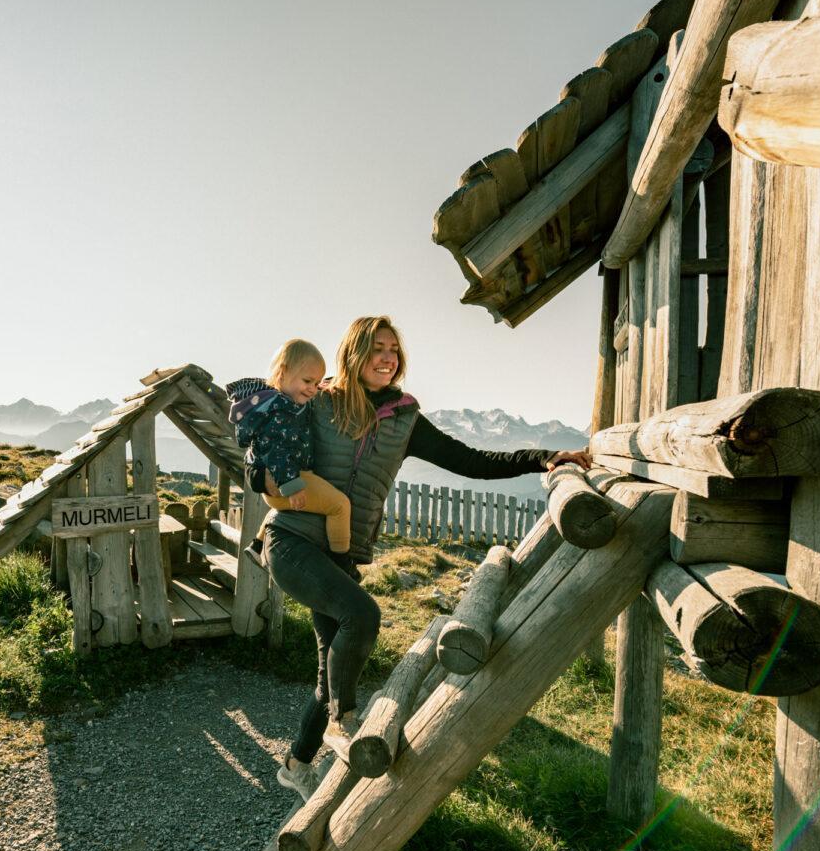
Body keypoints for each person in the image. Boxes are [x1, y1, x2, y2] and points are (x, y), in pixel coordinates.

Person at [265, 315, 590, 800]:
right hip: (292, 541)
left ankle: (296, 764)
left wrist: (540, 458)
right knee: (362, 616)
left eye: (393, 349)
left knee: (330, 674)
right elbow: (265, 436)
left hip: (339, 557)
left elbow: (471, 460)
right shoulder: (320, 401)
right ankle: (343, 721)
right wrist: (261, 477)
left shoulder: (405, 419)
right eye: (377, 348)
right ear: (354, 353)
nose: (387, 358)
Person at [224, 339, 352, 553]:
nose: (313, 389)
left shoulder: (275, 403)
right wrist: (292, 486)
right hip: (287, 479)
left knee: (289, 509)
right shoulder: (280, 411)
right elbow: (277, 452)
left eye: (317, 383)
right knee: (340, 506)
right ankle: (341, 557)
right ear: (283, 373)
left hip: (282, 479)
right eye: (307, 381)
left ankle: (257, 545)